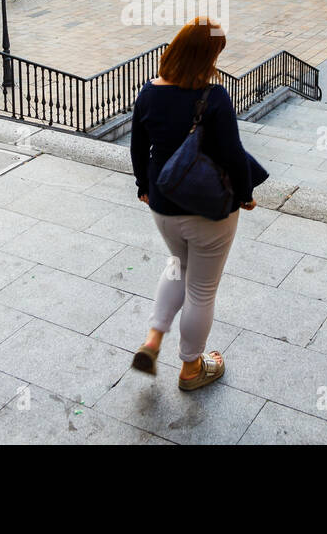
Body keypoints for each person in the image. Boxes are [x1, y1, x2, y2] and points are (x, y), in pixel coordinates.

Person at [128, 19, 267, 392]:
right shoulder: (215, 97)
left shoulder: (149, 92)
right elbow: (233, 155)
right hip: (208, 208)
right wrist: (246, 194)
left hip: (162, 202)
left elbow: (138, 148)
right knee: (202, 289)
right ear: (208, 56)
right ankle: (191, 367)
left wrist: (143, 185)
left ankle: (153, 339)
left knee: (178, 265)